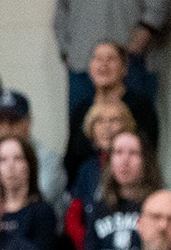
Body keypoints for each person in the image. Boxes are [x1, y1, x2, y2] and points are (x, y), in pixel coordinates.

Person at [64, 44, 162, 183]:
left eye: (111, 59)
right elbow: (71, 159)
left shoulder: (140, 107)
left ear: (124, 68)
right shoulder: (82, 109)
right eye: (97, 59)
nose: (103, 65)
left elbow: (148, 155)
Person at [79, 131, 162, 250]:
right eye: (118, 153)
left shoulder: (157, 207)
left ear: (146, 161)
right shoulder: (98, 208)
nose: (125, 161)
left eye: (133, 153)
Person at [0, 135, 58, 250]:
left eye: (18, 159)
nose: (10, 166)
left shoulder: (42, 212)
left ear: (29, 165)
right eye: (3, 160)